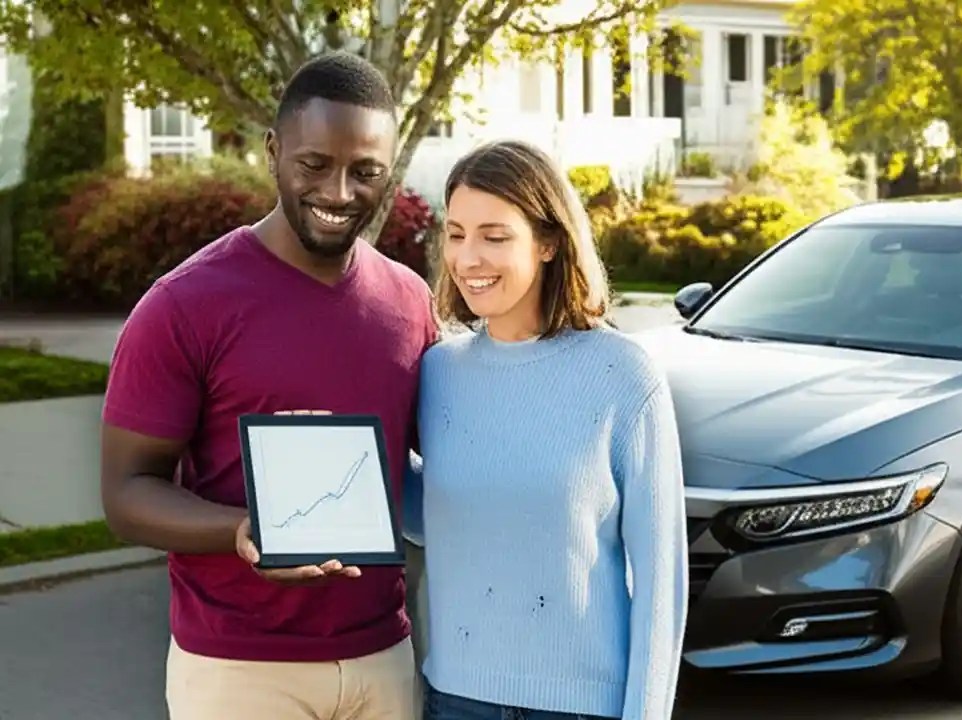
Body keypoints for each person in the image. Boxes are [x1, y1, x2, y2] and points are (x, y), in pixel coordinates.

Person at [99, 51, 438, 720]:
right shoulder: (184, 305)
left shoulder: (409, 300)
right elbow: (126, 494)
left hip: (383, 660)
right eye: (315, 165)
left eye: (366, 172)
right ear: (274, 151)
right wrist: (243, 531)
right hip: (239, 671)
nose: (340, 193)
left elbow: (443, 460)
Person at [415, 140, 689, 720]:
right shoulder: (438, 371)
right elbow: (435, 516)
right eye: (456, 233)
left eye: (494, 236)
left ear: (548, 243)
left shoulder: (621, 374)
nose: (468, 258)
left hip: (583, 706)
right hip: (459, 699)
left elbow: (662, 580)